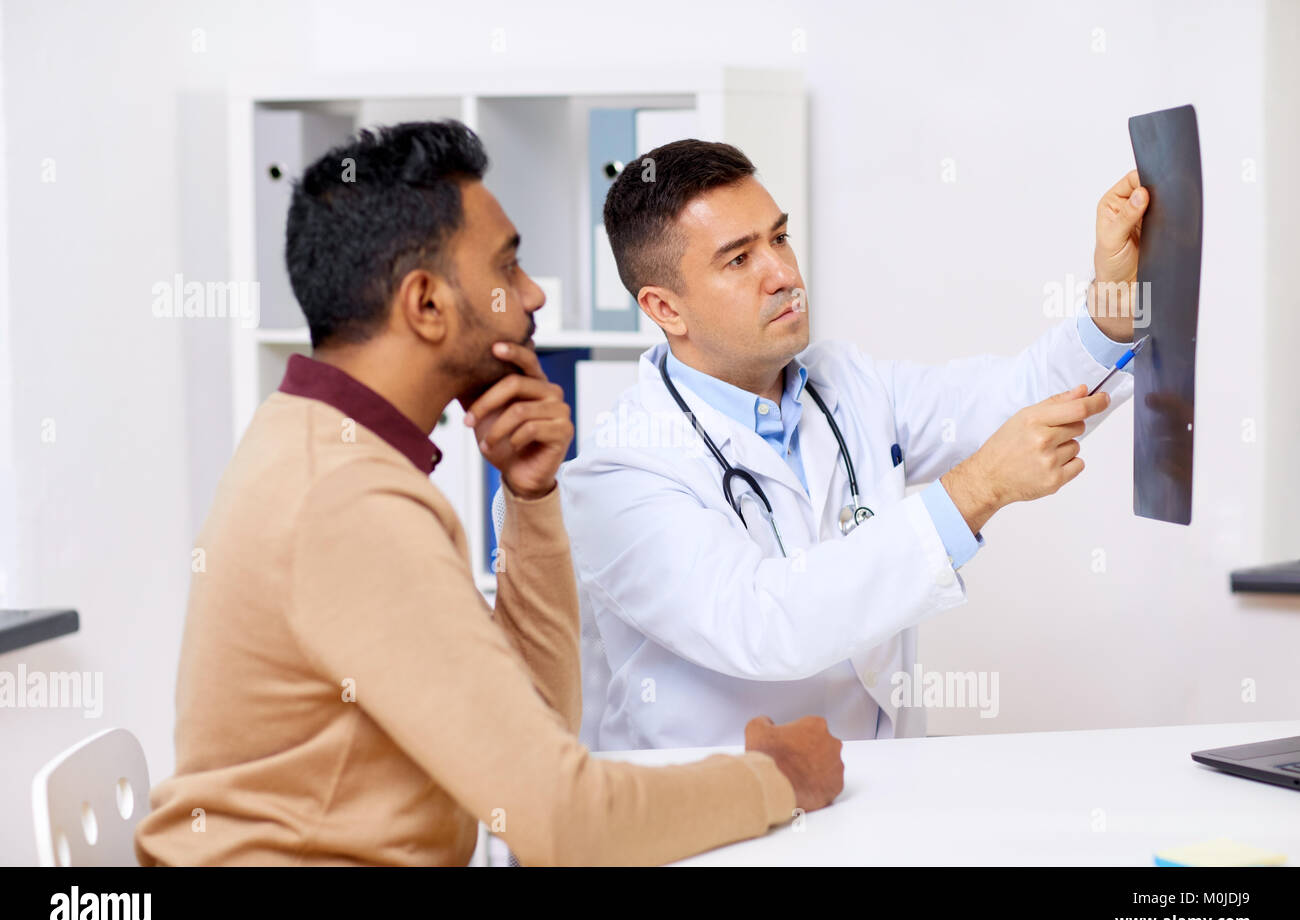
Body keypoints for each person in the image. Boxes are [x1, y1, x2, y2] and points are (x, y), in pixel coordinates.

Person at [133, 121, 843, 867]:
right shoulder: (345, 500)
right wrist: (776, 780)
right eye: (508, 265)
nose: (533, 293)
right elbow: (566, 824)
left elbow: (539, 731)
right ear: (427, 305)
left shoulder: (324, 445)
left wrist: (532, 499)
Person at [561, 138, 1148, 750]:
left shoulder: (846, 384)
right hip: (715, 831)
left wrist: (1111, 299)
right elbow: (763, 624)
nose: (783, 275)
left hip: (875, 798)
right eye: (738, 260)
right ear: (664, 308)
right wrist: (976, 491)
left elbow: (1013, 397)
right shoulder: (620, 473)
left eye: (779, 238)